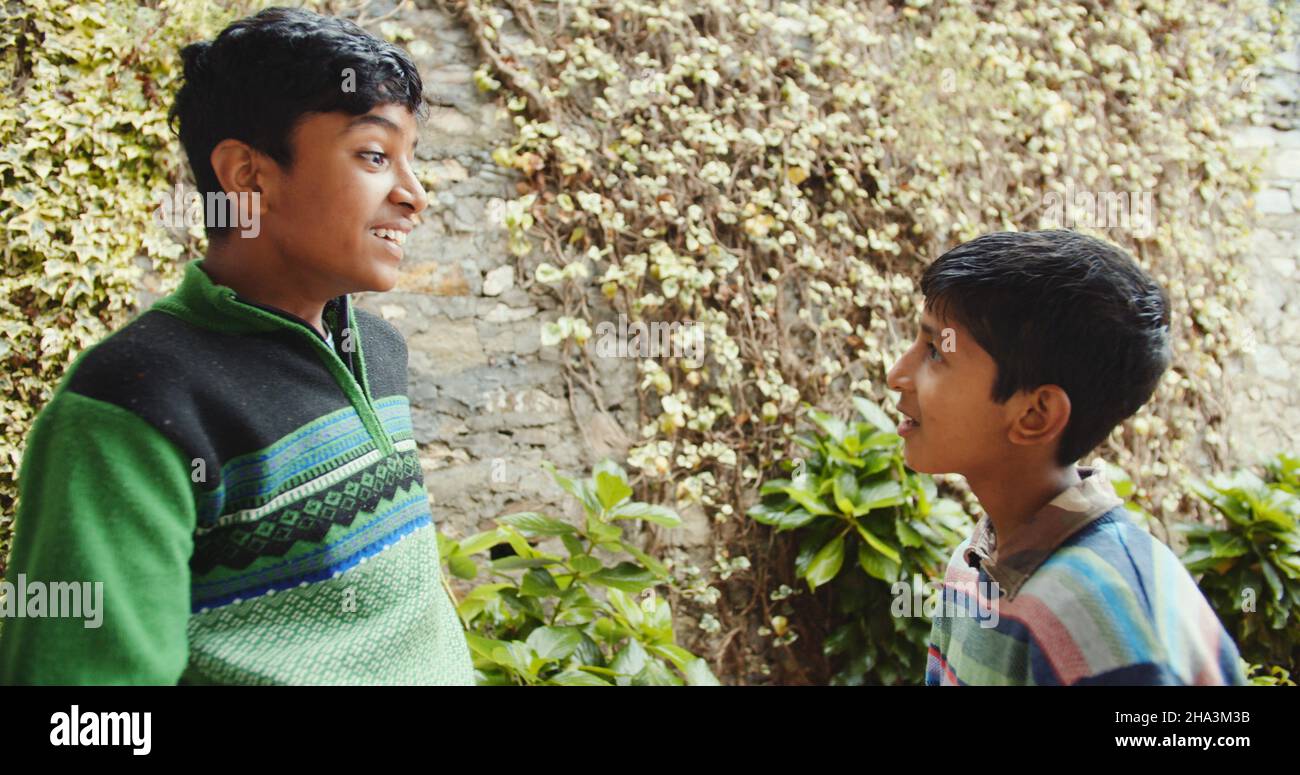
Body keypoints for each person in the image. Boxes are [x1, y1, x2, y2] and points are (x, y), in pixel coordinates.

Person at [0, 7, 474, 684]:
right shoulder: (133, 407)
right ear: (247, 176)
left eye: (412, 159)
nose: (415, 195)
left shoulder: (377, 349)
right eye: (374, 155)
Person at [886, 229, 1247, 685]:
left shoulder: (1109, 619)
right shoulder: (975, 563)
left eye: (936, 351)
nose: (897, 374)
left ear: (1035, 414)